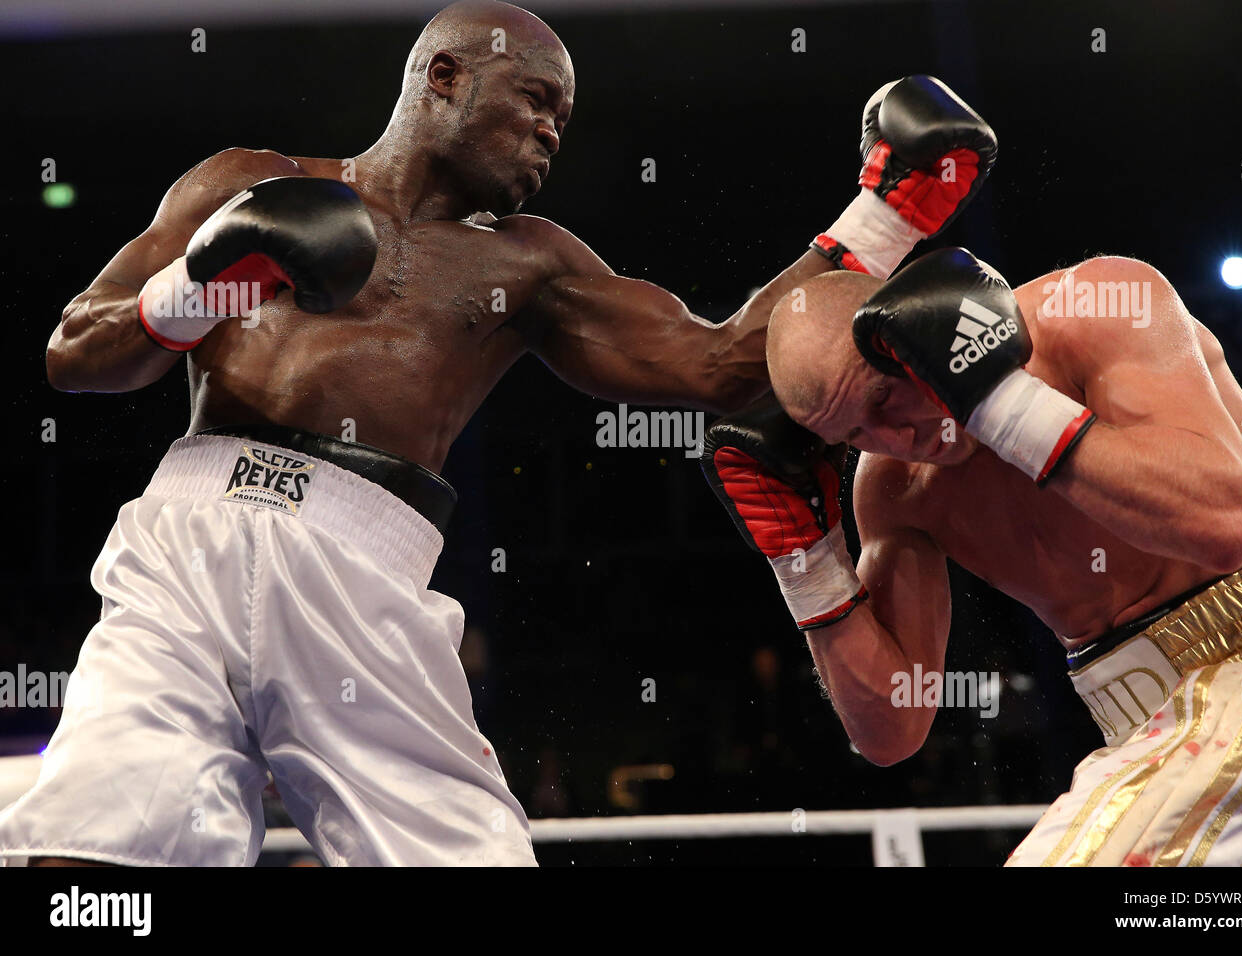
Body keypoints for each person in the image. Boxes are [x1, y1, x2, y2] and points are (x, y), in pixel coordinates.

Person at [0, 0, 995, 866]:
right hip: (187, 546)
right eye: (536, 100)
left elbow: (721, 363)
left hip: (362, 575)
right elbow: (74, 352)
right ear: (444, 75)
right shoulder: (247, 180)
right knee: (91, 856)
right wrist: (208, 275)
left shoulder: (531, 266)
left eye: (563, 119)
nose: (552, 134)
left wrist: (885, 214)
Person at [704, 247, 1242, 865]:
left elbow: (1222, 522)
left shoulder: (1092, 309)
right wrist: (809, 566)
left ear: (905, 337)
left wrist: (995, 401)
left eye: (883, 400)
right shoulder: (894, 489)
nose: (896, 440)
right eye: (853, 435)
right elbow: (892, 731)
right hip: (1146, 726)